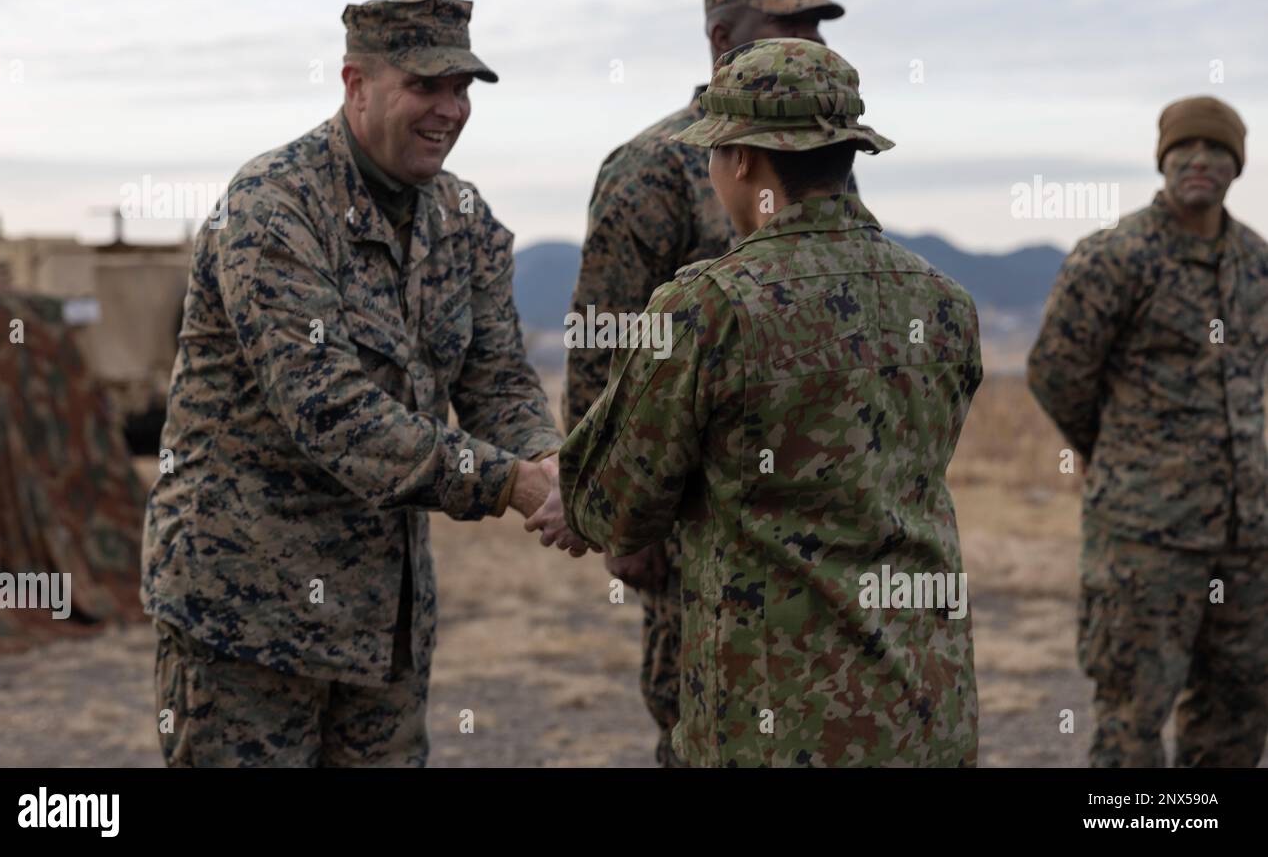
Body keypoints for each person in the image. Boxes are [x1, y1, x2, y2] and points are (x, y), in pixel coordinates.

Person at [141, 0, 565, 767]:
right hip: (247, 620)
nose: (450, 110)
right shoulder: (271, 209)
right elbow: (331, 412)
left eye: (463, 88)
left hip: (383, 626)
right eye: (426, 86)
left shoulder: (462, 218)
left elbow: (497, 375)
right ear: (355, 84)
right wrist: (514, 485)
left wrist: (548, 458)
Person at [542, 38, 983, 767]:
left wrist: (559, 486)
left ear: (740, 159)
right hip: (926, 710)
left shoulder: (705, 307)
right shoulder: (946, 304)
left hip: (777, 723)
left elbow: (615, 505)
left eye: (715, 154)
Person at [563, 0, 852, 766]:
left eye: (815, 24)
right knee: (704, 726)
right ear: (723, 36)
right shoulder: (653, 168)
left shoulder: (819, 154)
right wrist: (622, 522)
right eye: (786, 24)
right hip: (700, 524)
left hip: (814, 520)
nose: (808, 39)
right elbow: (602, 346)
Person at [1028, 95, 1268, 767]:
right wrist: (1122, 460)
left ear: (1236, 166)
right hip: (1144, 539)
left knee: (1237, 718)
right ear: (1163, 159)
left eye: (1216, 149)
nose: (1199, 160)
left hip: (1246, 540)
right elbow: (1056, 373)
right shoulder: (1115, 258)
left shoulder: (1257, 263)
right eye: (1185, 148)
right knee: (1132, 721)